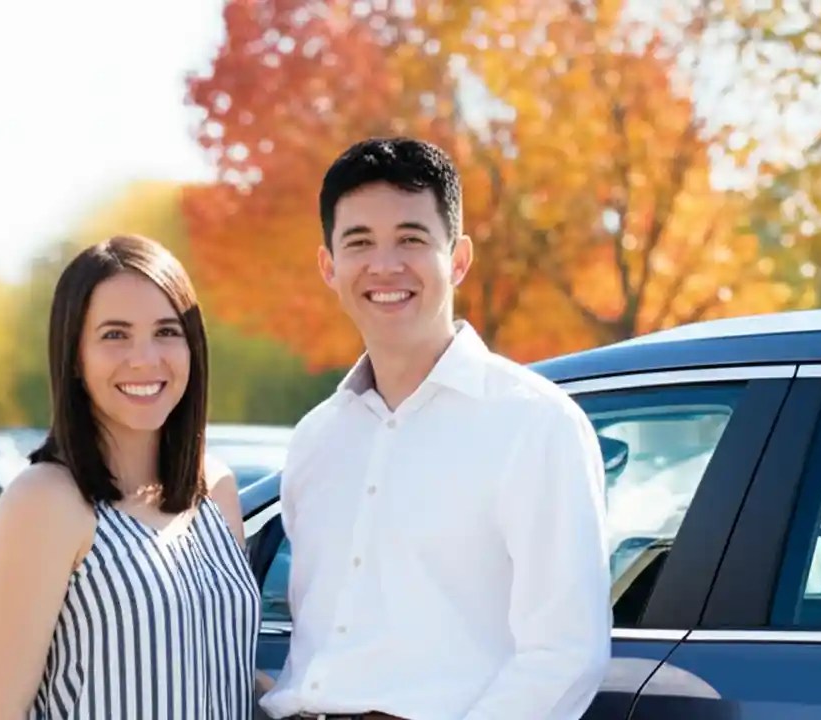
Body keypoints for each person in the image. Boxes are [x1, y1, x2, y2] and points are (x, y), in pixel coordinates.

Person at [258, 138, 611, 720]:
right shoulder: (316, 440)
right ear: (329, 266)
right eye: (359, 243)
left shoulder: (535, 424)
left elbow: (566, 654)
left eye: (412, 239)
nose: (385, 265)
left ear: (459, 258)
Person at [0, 235, 261, 720]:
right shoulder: (47, 501)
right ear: (75, 358)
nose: (145, 358)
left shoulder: (216, 489)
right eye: (115, 335)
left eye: (167, 332)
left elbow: (218, 670)